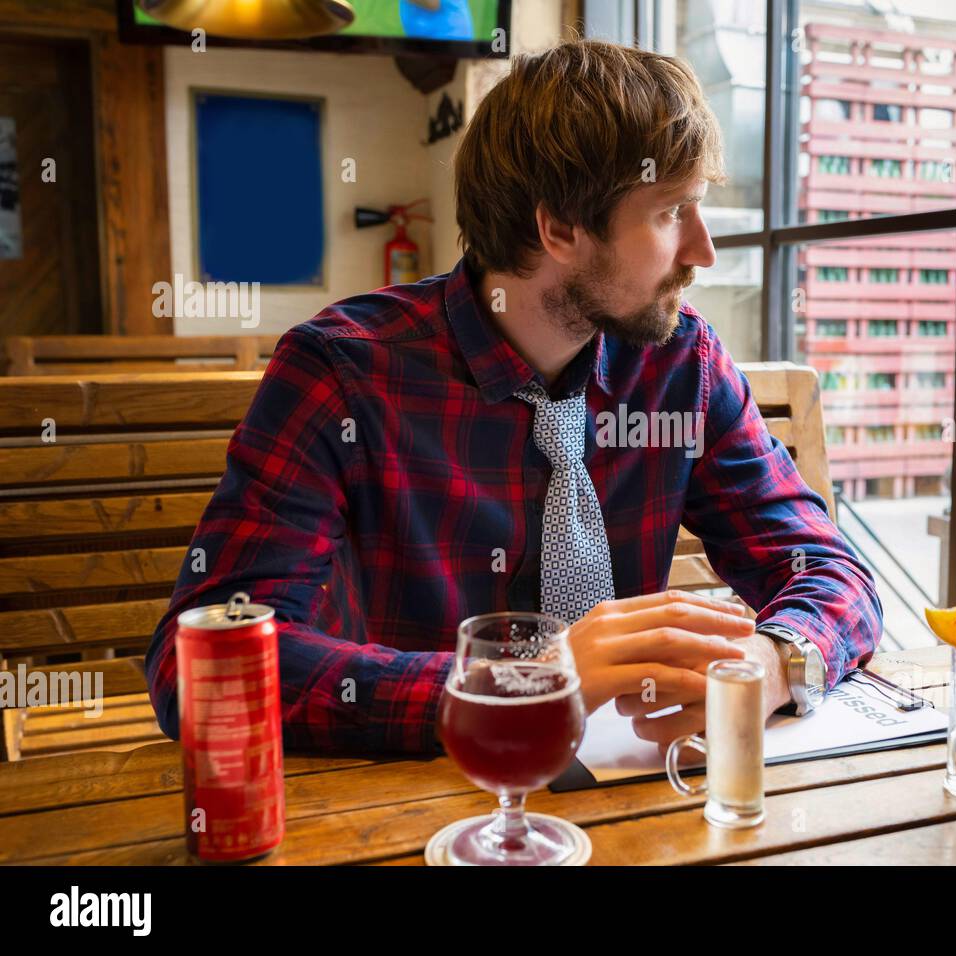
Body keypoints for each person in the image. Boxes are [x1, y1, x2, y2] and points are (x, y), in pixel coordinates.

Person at [145, 38, 883, 755]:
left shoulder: (680, 365)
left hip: (632, 793)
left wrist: (774, 661)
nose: (702, 250)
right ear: (559, 228)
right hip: (404, 801)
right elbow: (199, 665)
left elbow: (828, 571)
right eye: (669, 213)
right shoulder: (341, 373)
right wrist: (515, 687)